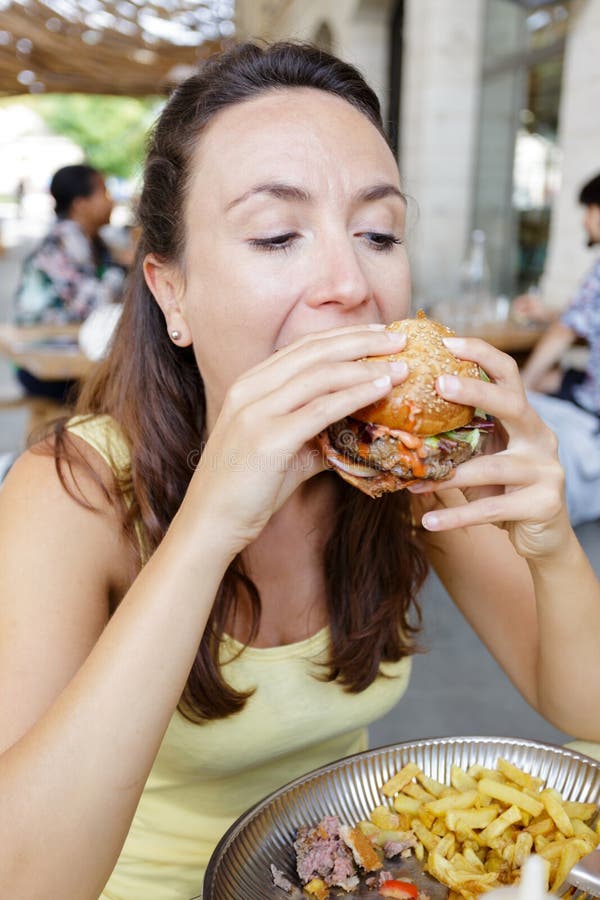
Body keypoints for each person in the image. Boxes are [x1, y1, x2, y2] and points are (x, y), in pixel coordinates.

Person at [0, 41, 599, 900]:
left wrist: (551, 545)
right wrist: (209, 526)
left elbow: (581, 707)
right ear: (172, 293)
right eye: (278, 235)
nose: (349, 283)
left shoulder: (402, 469)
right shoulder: (74, 491)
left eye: (379, 232)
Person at [515, 173, 600, 525]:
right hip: (585, 384)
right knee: (551, 379)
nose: (584, 219)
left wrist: (517, 387)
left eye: (590, 209)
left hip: (592, 409)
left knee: (510, 400)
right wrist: (550, 313)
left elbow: (563, 335)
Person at [13, 163, 128, 402]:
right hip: (43, 368)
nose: (111, 201)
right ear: (80, 204)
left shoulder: (94, 242)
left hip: (77, 356)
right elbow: (95, 304)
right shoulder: (59, 245)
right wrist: (124, 265)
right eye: (104, 192)